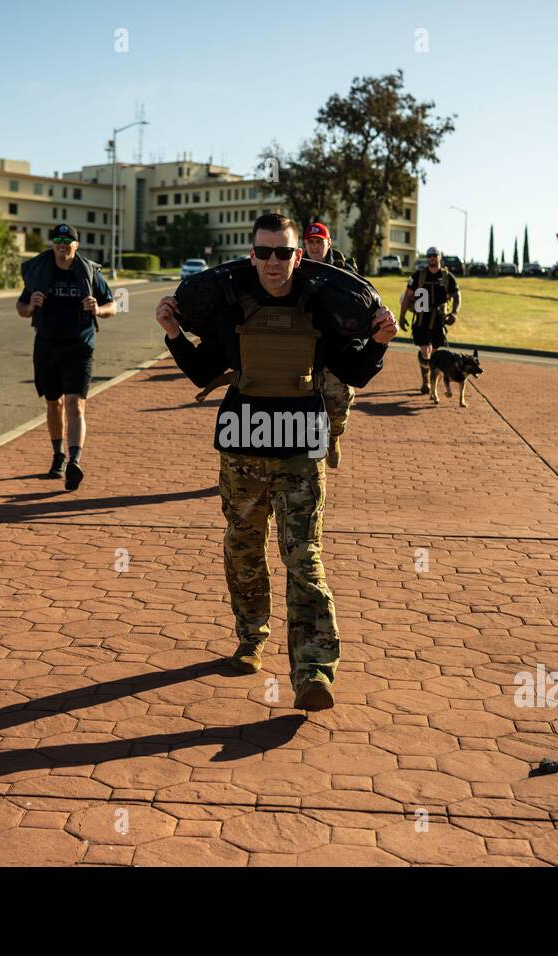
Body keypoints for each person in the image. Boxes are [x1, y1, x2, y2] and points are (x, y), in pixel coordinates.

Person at [155, 213, 397, 711]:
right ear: (251, 255)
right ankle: (251, 638)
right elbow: (203, 369)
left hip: (300, 452)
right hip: (243, 450)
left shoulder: (320, 307)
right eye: (263, 252)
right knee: (243, 549)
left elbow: (352, 370)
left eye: (282, 253)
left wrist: (378, 342)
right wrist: (174, 334)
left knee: (302, 556)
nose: (272, 262)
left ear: (298, 255)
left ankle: (313, 671)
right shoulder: (231, 309)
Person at [16, 224, 116, 490]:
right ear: (53, 245)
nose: (62, 244)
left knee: (75, 404)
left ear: (76, 245)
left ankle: (75, 461)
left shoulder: (90, 272)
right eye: (58, 240)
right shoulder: (40, 272)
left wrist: (99, 309)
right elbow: (21, 308)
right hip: (47, 345)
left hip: (80, 346)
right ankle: (58, 455)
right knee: (54, 404)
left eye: (68, 240)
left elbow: (113, 305)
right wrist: (31, 306)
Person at [302, 222, 360, 469]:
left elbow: (362, 303)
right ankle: (314, 464)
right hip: (305, 351)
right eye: (310, 242)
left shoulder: (345, 271)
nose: (315, 247)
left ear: (328, 243)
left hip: (337, 350)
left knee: (337, 409)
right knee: (306, 407)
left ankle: (334, 437)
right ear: (305, 245)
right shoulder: (297, 268)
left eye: (319, 242)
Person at [397, 247, 460, 394]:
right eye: (429, 255)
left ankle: (433, 381)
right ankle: (426, 382)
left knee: (435, 353)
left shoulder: (447, 277)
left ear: (439, 257)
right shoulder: (419, 275)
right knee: (426, 350)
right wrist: (402, 316)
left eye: (435, 255)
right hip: (421, 319)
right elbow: (407, 296)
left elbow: (457, 296)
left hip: (439, 319)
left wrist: (454, 313)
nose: (432, 258)